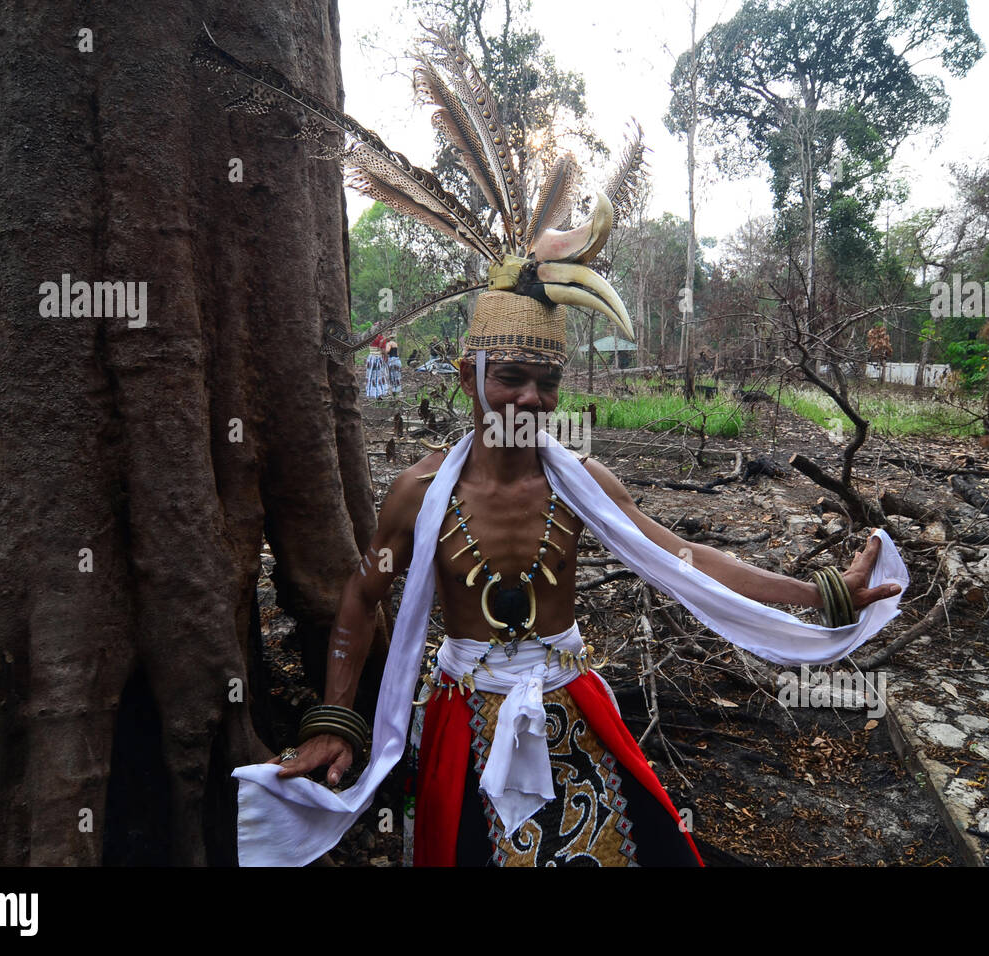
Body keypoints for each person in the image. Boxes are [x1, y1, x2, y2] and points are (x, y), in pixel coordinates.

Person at [213, 26, 909, 866]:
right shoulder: (419, 492)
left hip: (571, 705)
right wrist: (335, 720)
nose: (530, 398)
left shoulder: (584, 484)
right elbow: (364, 599)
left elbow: (684, 556)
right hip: (461, 718)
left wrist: (819, 594)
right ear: (471, 373)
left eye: (547, 381)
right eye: (510, 375)